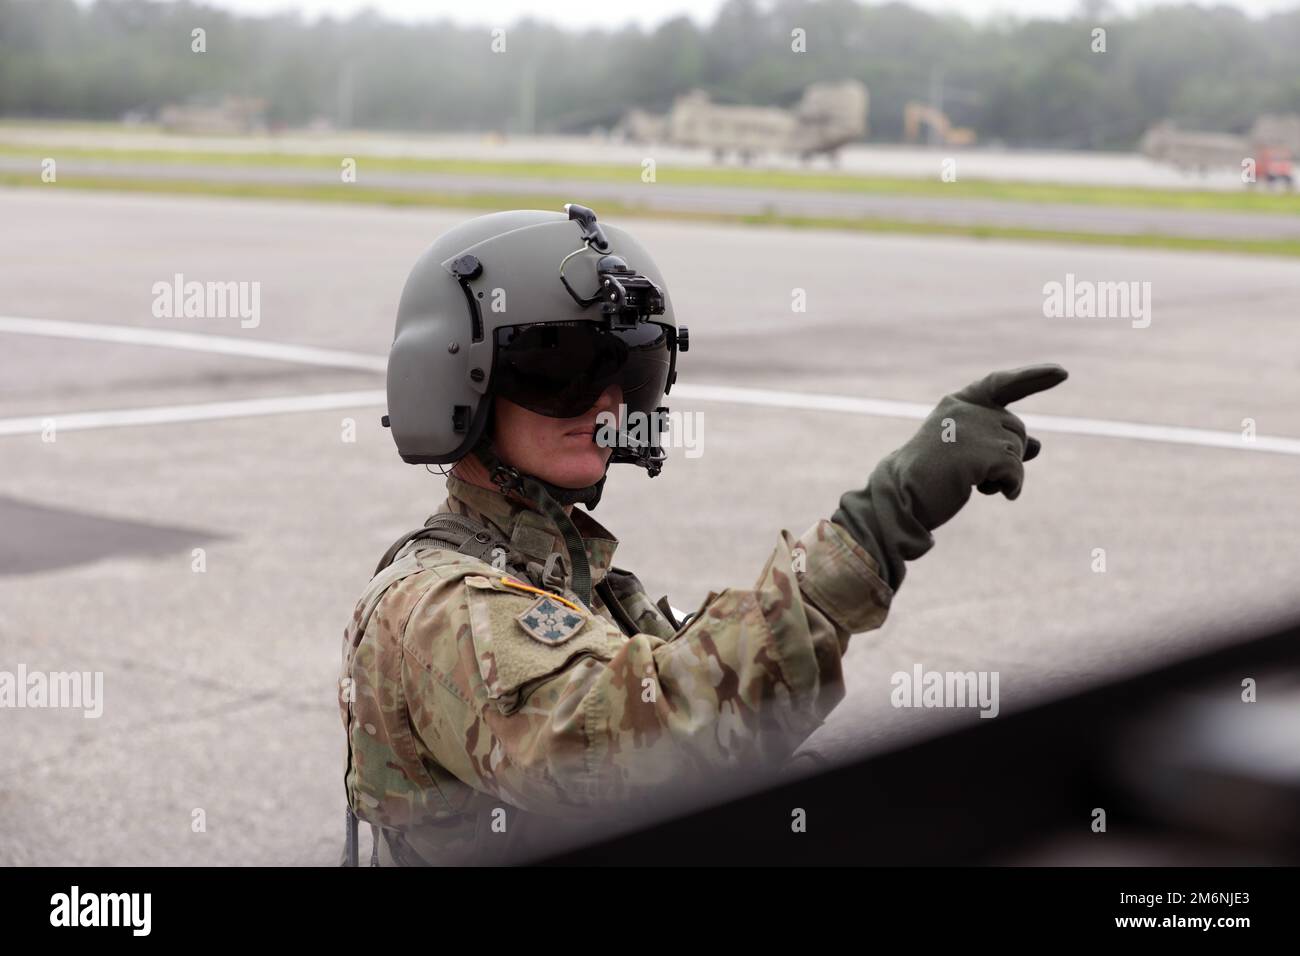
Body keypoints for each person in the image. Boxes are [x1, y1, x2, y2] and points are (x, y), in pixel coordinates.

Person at [339, 203, 1066, 864]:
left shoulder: (576, 581)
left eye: (630, 367)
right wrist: (882, 520)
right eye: (560, 367)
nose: (605, 401)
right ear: (456, 379)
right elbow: (628, 744)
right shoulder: (437, 611)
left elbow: (717, 743)